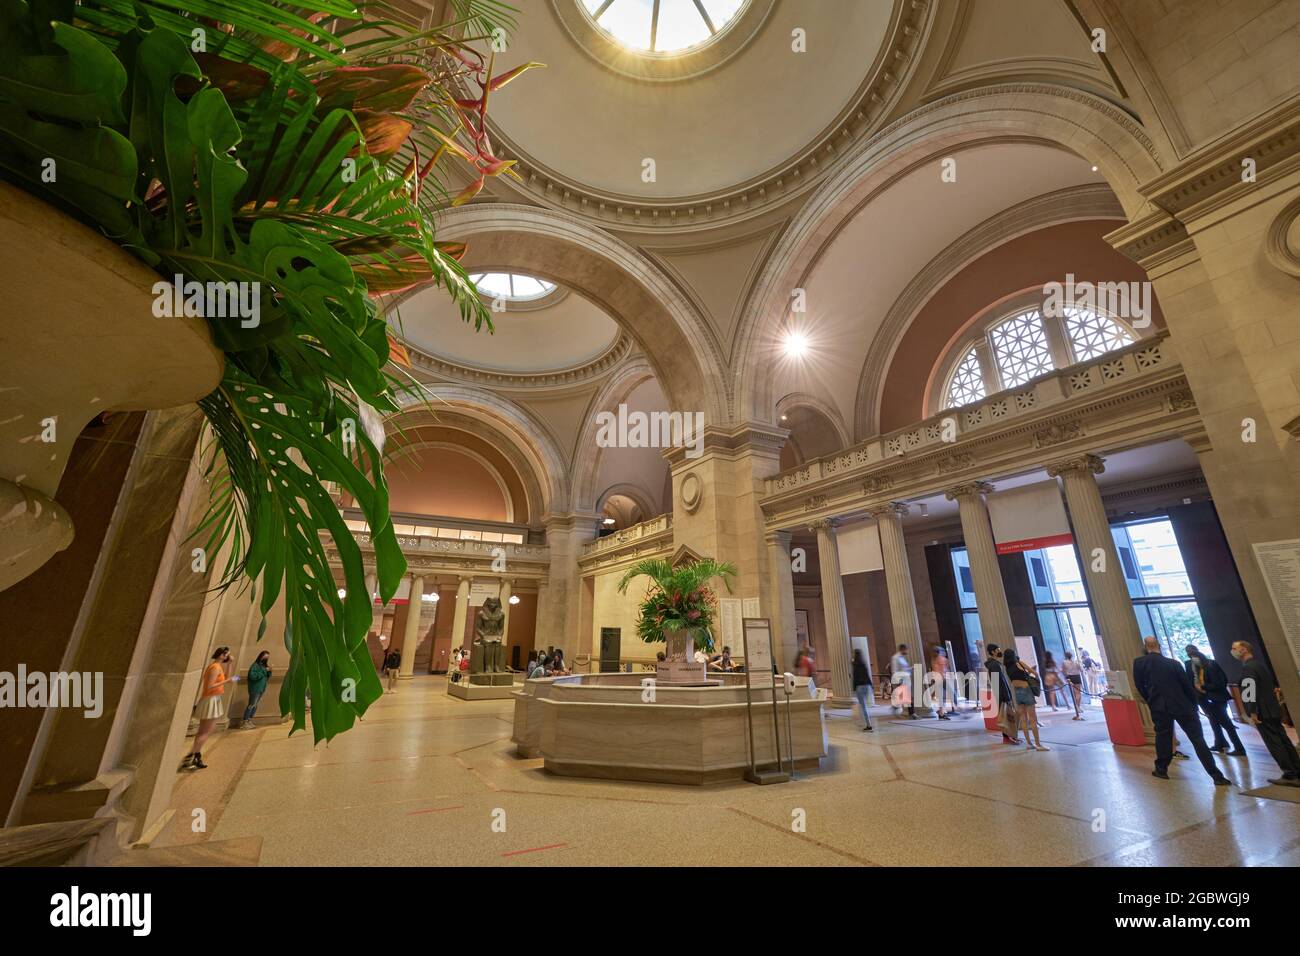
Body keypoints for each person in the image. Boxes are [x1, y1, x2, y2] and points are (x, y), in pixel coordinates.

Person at [1133, 636, 1230, 785]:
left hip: (1159, 707)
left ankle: (1161, 769)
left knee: (1163, 737)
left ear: (1145, 647)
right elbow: (1187, 686)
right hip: (1182, 705)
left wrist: (1151, 700)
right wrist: (1193, 704)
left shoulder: (1139, 663)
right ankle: (1216, 775)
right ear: (1158, 646)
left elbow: (1140, 686)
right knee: (1198, 740)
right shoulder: (1174, 664)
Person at [1233, 641, 1300, 787]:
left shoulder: (1248, 668)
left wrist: (1252, 711)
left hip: (1262, 711)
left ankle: (1289, 774)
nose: (1233, 651)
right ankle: (1296, 769)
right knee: (1283, 740)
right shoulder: (1259, 665)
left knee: (1274, 743)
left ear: (1243, 650)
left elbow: (1249, 690)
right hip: (1272, 709)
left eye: (1235, 648)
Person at [181, 646, 238, 771]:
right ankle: (191, 757)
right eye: (227, 655)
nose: (228, 657)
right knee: (205, 731)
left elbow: (228, 677)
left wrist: (230, 664)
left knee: (205, 731)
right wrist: (227, 680)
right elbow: (210, 686)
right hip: (210, 699)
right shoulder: (214, 668)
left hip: (214, 698)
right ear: (221, 655)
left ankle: (196, 755)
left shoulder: (218, 667)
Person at [1184, 645, 1245, 756]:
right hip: (1205, 699)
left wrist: (1203, 688)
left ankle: (1239, 747)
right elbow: (1190, 681)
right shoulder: (1191, 665)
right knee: (1214, 722)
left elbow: (1219, 683)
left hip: (1216, 699)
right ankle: (1220, 743)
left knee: (1226, 724)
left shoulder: (1211, 665)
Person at [1003, 648, 1048, 751]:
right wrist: (1032, 672)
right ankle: (1038, 744)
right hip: (1026, 690)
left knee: (1023, 719)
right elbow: (1034, 673)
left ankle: (1029, 743)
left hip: (1017, 692)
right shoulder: (1020, 663)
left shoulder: (1007, 668)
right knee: (1032, 718)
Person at [985, 644, 1018, 744]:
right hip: (1002, 694)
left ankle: (1009, 737)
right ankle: (1007, 738)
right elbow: (999, 682)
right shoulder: (994, 665)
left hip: (1001, 693)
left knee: (1006, 716)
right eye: (998, 649)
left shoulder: (994, 664)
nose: (1000, 651)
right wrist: (1006, 696)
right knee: (1005, 717)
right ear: (993, 652)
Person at [243, 651, 272, 726]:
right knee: (252, 704)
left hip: (261, 688)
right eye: (265, 656)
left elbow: (266, 677)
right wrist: (264, 671)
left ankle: (250, 720)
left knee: (255, 705)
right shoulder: (255, 665)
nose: (266, 658)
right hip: (255, 688)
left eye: (267, 657)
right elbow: (252, 676)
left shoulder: (263, 666)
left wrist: (269, 671)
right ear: (261, 656)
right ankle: (245, 721)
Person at [890, 643, 916, 719]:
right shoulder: (895, 658)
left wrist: (911, 668)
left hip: (906, 680)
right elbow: (894, 671)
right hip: (901, 680)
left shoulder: (902, 658)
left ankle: (895, 706)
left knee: (906, 697)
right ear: (903, 649)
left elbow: (904, 669)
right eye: (906, 649)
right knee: (909, 697)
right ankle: (912, 713)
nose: (907, 651)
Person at [852, 648, 874, 732]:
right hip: (867, 686)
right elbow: (867, 676)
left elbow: (855, 677)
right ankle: (865, 722)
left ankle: (868, 725)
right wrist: (871, 686)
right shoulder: (864, 664)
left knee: (863, 706)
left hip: (859, 686)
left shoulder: (855, 664)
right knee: (864, 706)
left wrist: (854, 688)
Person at [1060, 651, 1084, 719]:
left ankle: (1077, 707)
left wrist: (1066, 677)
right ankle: (1078, 707)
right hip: (1077, 676)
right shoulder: (1076, 662)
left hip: (1070, 677)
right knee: (1078, 692)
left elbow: (1063, 671)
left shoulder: (1064, 662)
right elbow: (1081, 670)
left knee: (1074, 692)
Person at [932, 645, 952, 719]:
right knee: (951, 695)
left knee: (942, 697)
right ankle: (941, 712)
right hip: (942, 679)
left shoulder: (934, 660)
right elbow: (944, 669)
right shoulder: (941, 659)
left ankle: (941, 713)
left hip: (939, 679)